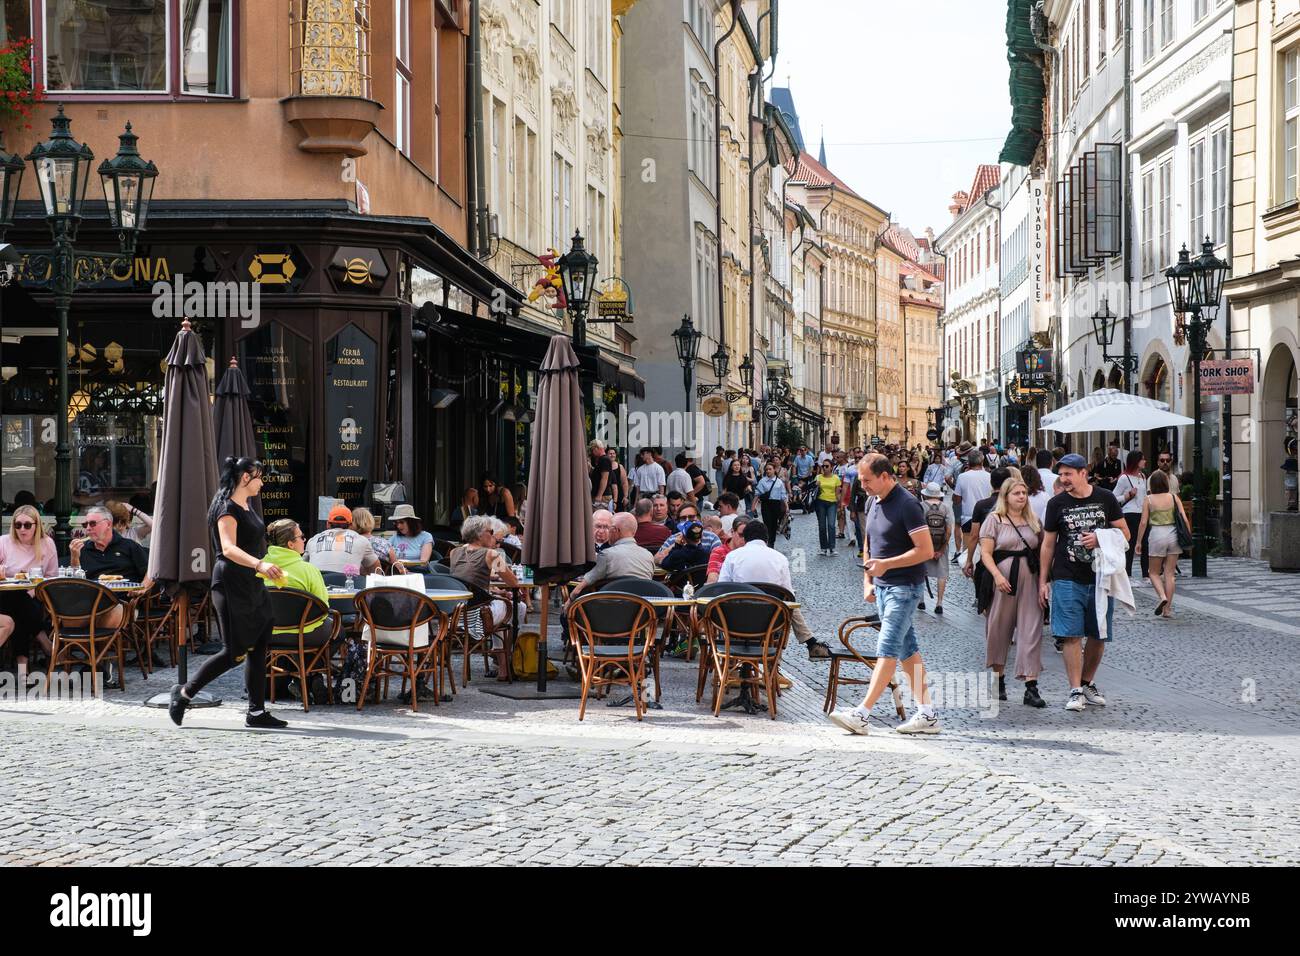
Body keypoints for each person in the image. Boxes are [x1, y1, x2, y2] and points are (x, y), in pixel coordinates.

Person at [170, 457, 289, 729]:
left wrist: (267, 563)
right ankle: (185, 693)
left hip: (252, 583)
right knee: (233, 651)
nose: (262, 482)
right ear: (245, 478)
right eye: (258, 477)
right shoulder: (226, 508)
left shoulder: (246, 504)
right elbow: (228, 548)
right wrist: (260, 563)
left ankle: (256, 712)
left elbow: (251, 543)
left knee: (260, 644)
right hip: (230, 583)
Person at [828, 453, 940, 735]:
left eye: (867, 480)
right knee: (908, 650)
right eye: (860, 479)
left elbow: (925, 551)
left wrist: (886, 565)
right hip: (882, 587)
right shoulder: (872, 500)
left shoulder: (908, 505)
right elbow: (869, 542)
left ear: (885, 476)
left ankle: (862, 714)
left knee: (887, 648)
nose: (862, 485)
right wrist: (868, 580)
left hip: (905, 587)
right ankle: (927, 714)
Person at [1038, 453, 1128, 713]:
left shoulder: (1106, 498)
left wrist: (1100, 539)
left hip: (1101, 578)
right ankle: (1075, 689)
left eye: (1068, 474)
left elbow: (1125, 533)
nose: (1064, 479)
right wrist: (1043, 580)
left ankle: (1087, 683)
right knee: (1071, 634)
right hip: (1067, 576)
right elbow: (1047, 543)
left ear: (1083, 473)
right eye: (1061, 475)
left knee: (1099, 634)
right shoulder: (1056, 504)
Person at [979, 478, 1045, 708]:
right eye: (1016, 493)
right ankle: (998, 680)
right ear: (1005, 496)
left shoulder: (1034, 520)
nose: (1021, 497)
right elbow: (986, 553)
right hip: (1003, 581)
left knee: (1031, 629)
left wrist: (1044, 582)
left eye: (1024, 493)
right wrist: (997, 576)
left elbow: (1043, 550)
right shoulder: (994, 520)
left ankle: (1031, 686)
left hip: (1030, 579)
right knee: (999, 628)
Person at [449, 516, 526, 659]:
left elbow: (467, 583)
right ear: (480, 534)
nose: (493, 535)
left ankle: (500, 659)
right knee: (518, 607)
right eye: (490, 531)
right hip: (477, 617)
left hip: (455, 615)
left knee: (500, 603)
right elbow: (514, 582)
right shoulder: (491, 554)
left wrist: (496, 592)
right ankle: (503, 656)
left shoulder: (454, 552)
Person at [69, 505, 153, 633]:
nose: (88, 528)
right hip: (90, 602)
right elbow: (76, 581)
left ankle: (99, 650)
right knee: (66, 614)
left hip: (121, 602)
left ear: (108, 524)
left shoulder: (128, 546)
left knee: (112, 613)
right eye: (85, 524)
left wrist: (143, 587)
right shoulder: (83, 549)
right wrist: (75, 558)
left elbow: (151, 571)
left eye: (92, 524)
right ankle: (73, 650)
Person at [0, 504, 57, 677]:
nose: (22, 529)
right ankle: (43, 641)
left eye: (27, 525)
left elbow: (52, 576)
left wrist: (33, 591)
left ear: (36, 525)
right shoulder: (4, 541)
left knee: (21, 604)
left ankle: (23, 668)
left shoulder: (46, 544)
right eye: (18, 525)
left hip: (35, 596)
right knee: (18, 600)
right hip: (4, 595)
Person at [1135, 469, 1189, 619]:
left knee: (1153, 572)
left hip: (1157, 534)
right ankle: (1168, 609)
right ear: (1166, 483)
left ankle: (1162, 596)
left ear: (1152, 484)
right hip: (1173, 534)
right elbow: (1184, 519)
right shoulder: (1173, 497)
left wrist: (1138, 541)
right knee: (1170, 574)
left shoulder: (1149, 499)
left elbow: (1144, 522)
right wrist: (1188, 537)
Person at [566, 512, 654, 603]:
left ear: (615, 530)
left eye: (608, 528)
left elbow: (578, 590)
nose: (603, 531)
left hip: (607, 612)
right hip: (641, 612)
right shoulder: (649, 556)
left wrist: (569, 601)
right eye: (598, 526)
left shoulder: (607, 555)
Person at [262, 519, 330, 633]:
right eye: (301, 536)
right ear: (290, 544)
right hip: (303, 632)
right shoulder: (309, 570)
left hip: (264, 634)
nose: (304, 540)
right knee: (339, 633)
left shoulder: (259, 568)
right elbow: (323, 606)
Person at [963, 467, 1013, 579]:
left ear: (991, 483)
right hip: (1011, 556)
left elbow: (974, 535)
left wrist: (969, 560)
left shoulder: (981, 505)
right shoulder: (1013, 504)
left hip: (987, 554)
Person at [305, 504, 381, 576]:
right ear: (351, 525)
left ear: (328, 524)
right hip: (349, 584)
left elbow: (303, 567)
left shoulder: (313, 540)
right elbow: (377, 571)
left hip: (318, 585)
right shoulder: (362, 540)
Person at [917, 483, 953, 615]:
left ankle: (921, 601)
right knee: (942, 574)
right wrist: (942, 549)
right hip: (941, 545)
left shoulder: (921, 506)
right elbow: (949, 530)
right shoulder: (945, 507)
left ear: (925, 494)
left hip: (924, 546)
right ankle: (939, 603)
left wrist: (926, 548)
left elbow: (919, 529)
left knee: (920, 571)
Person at [1113, 451, 1149, 580]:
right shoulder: (1124, 478)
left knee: (1145, 543)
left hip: (1143, 514)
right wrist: (1127, 495)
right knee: (1130, 543)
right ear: (1136, 461)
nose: (1145, 461)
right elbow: (1114, 497)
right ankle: (1127, 574)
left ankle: (1146, 574)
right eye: (1142, 459)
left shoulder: (1143, 477)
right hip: (1130, 514)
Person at [953, 451, 992, 551]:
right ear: (982, 461)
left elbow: (957, 499)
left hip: (968, 517)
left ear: (969, 462)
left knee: (967, 550)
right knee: (985, 550)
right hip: (986, 517)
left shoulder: (962, 477)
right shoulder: (989, 476)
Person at [754, 462, 788, 548]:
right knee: (767, 523)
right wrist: (753, 506)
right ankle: (767, 541)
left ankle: (772, 542)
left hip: (776, 504)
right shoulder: (762, 481)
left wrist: (787, 506)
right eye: (767, 469)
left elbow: (783, 495)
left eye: (770, 469)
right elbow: (757, 494)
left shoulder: (779, 482)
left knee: (773, 524)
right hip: (766, 504)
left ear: (774, 470)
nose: (768, 471)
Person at [813, 459, 841, 556]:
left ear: (831, 467)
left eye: (827, 466)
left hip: (832, 503)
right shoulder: (818, 477)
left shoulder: (836, 478)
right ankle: (824, 548)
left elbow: (838, 493)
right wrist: (815, 485)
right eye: (823, 466)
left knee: (831, 525)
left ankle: (832, 548)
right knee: (822, 526)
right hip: (820, 502)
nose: (824, 468)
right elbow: (813, 491)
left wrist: (840, 505)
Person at [589, 439, 613, 507]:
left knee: (599, 516)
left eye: (592, 450)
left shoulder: (604, 460)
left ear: (596, 448)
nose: (592, 453)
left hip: (603, 496)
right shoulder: (602, 460)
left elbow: (604, 478)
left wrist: (599, 495)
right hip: (602, 495)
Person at [606, 447, 630, 512]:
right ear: (606, 455)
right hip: (607, 495)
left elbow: (624, 483)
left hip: (619, 495)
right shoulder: (604, 466)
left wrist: (625, 497)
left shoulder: (620, 467)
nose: (612, 455)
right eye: (610, 453)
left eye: (614, 453)